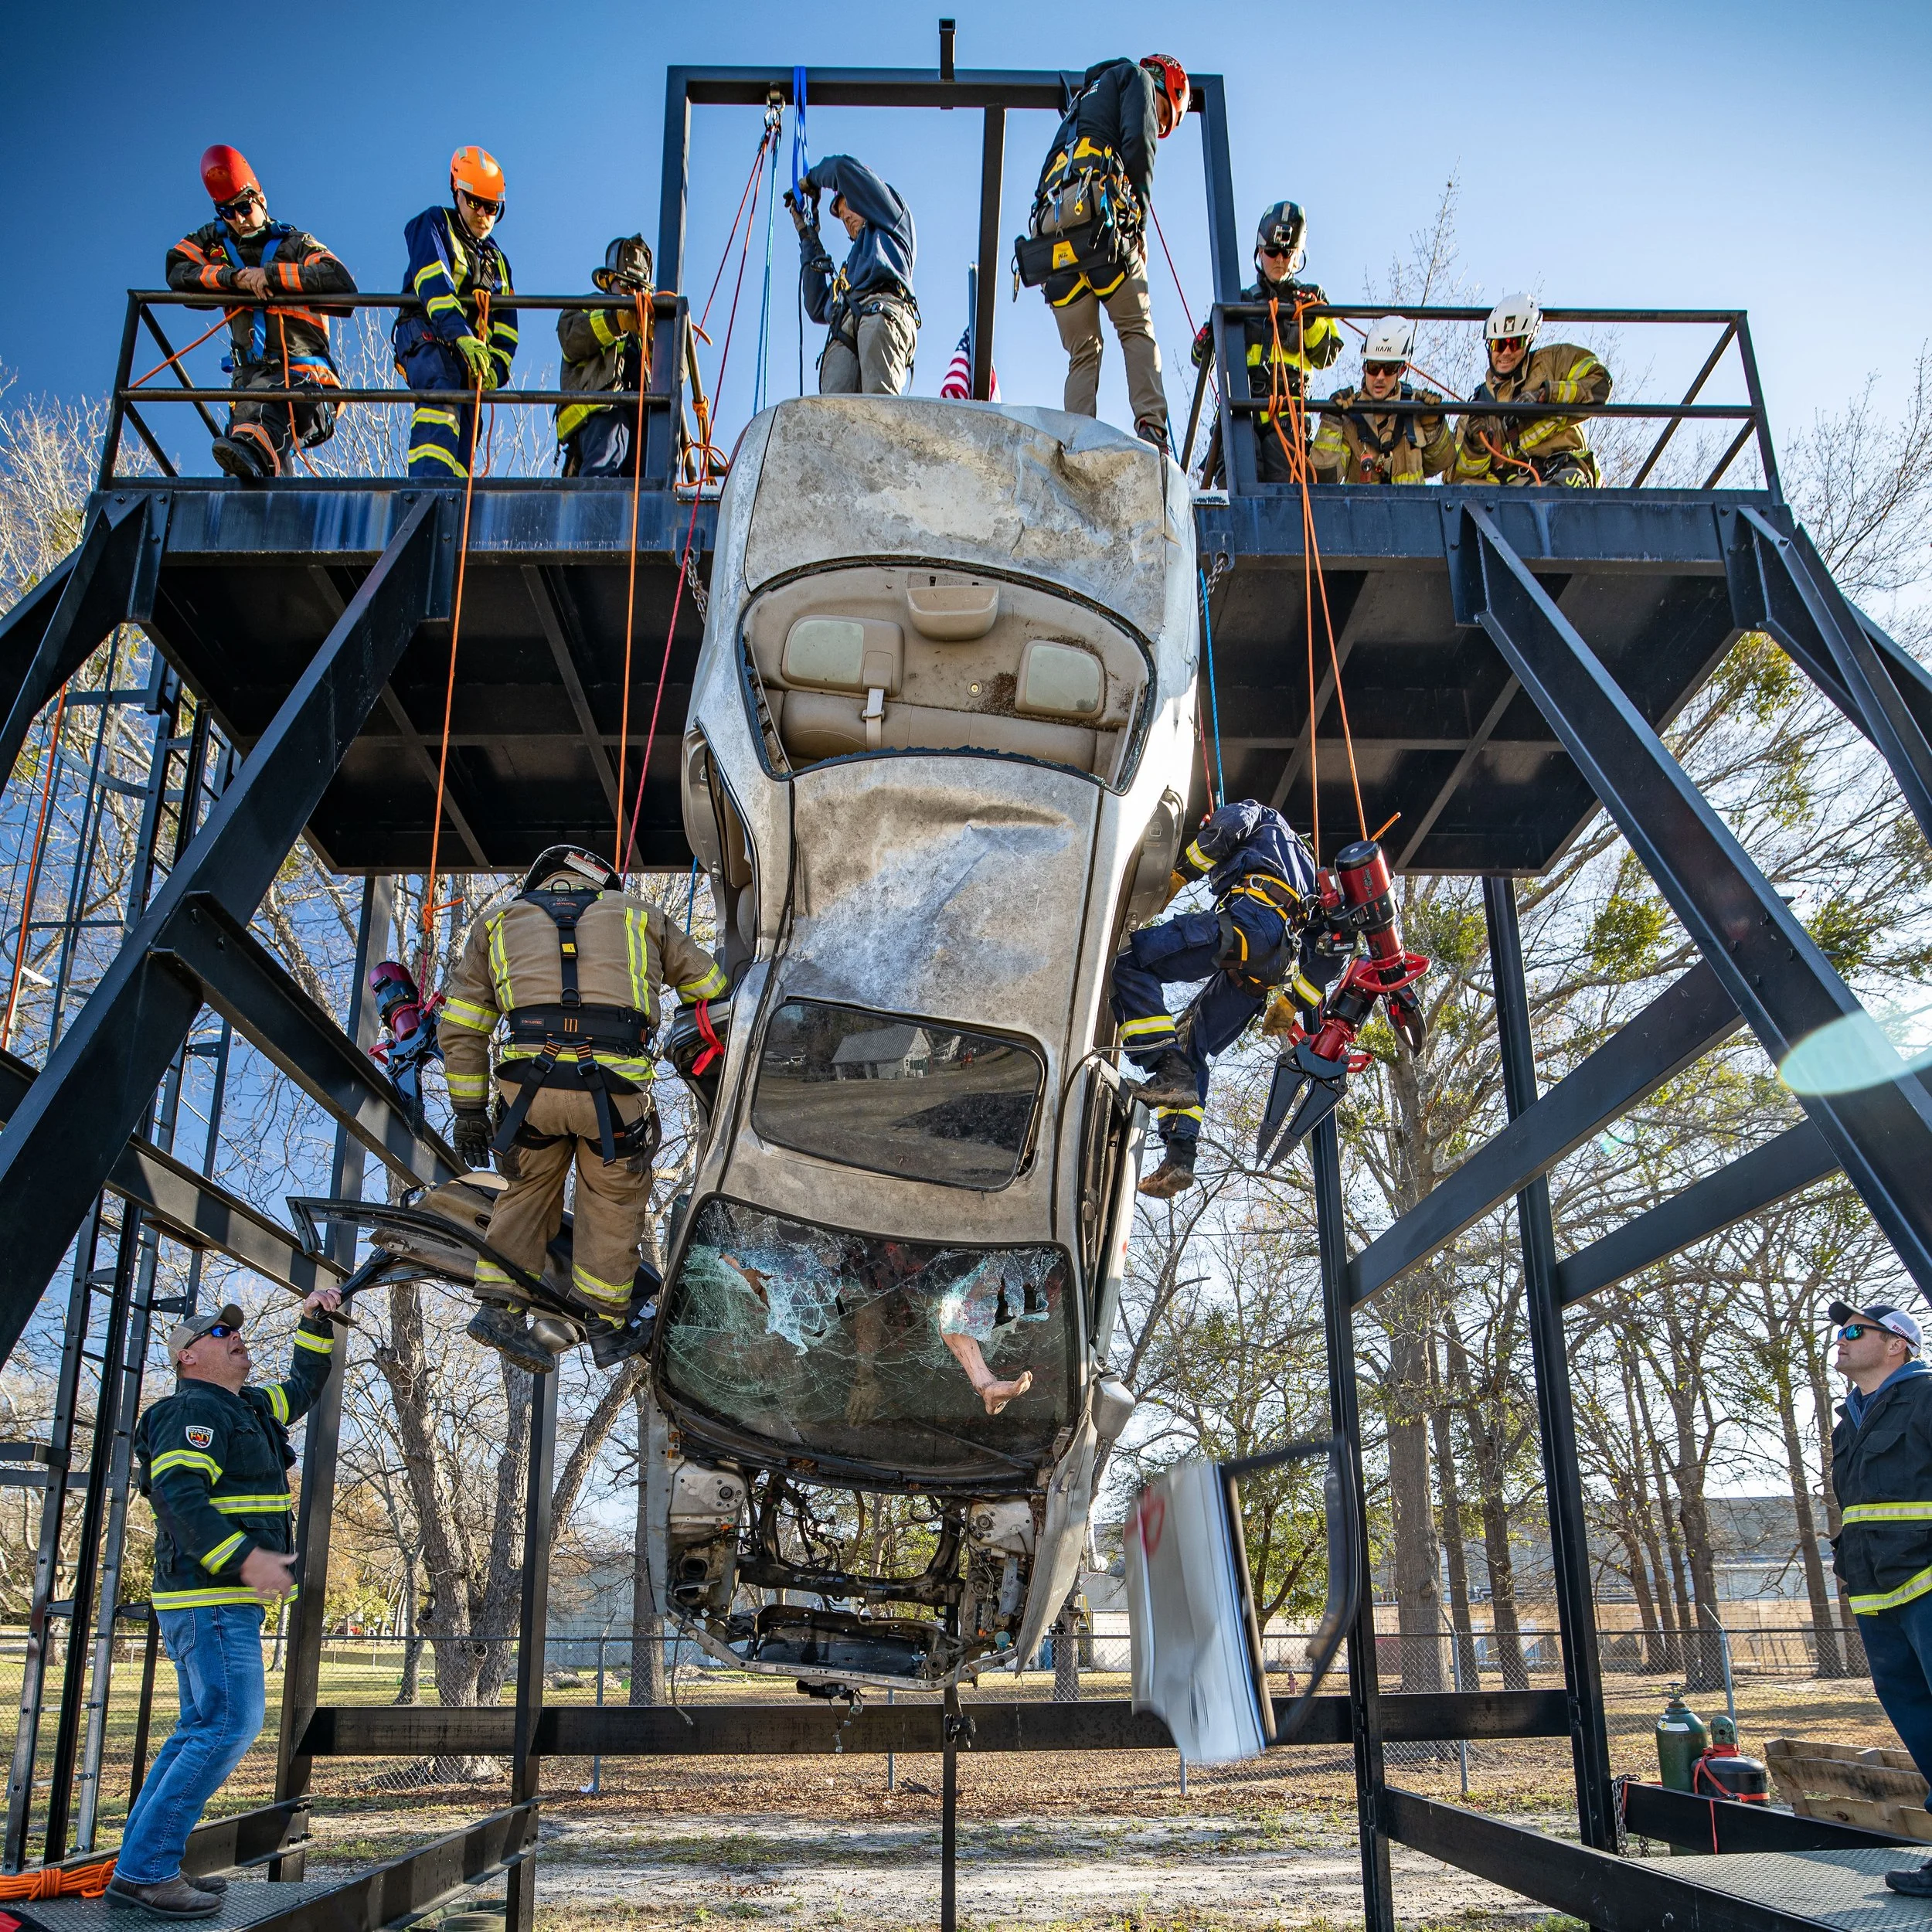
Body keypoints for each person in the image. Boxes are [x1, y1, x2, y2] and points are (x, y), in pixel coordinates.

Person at [439, 845, 727, 1369]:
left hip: (529, 1096)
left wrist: (469, 1111)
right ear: (601, 883)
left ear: (541, 879)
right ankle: (604, 1324)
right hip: (613, 1097)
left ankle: (499, 1308)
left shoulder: (497, 922)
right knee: (613, 1203)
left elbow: (462, 1026)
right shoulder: (641, 915)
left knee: (526, 1192)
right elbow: (711, 986)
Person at [109, 1290, 343, 1918]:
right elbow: (178, 1496)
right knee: (229, 1725)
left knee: (201, 1728)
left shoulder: (249, 1408)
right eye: (217, 1332)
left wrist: (314, 1324)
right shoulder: (190, 1410)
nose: (234, 1335)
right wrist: (246, 1559)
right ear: (186, 1356)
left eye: (233, 1329)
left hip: (220, 1602)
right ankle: (147, 1872)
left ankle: (140, 1864)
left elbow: (303, 1386)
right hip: (208, 1597)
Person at [1112, 799, 1321, 1199]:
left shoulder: (1265, 817)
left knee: (1130, 964)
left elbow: (1228, 826)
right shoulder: (1312, 880)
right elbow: (1330, 951)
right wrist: (1293, 1001)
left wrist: (1181, 874)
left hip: (1248, 923)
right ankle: (1180, 1157)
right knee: (1191, 1040)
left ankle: (1166, 1068)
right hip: (1270, 964)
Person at [1825, 1299, 1932, 1898]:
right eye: (1840, 1331)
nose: (1840, 1338)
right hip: (1876, 1594)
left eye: (1854, 1330)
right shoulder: (1850, 1424)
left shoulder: (1927, 1398)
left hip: (1927, 1584)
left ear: (1897, 1345)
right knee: (1919, 1722)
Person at [165, 145, 356, 482]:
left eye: (244, 206)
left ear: (261, 199)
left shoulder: (296, 244)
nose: (239, 219)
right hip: (249, 387)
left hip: (308, 381)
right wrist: (232, 278)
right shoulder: (218, 244)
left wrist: (271, 276)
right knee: (243, 468)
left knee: (263, 413)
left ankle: (253, 454)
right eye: (227, 211)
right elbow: (178, 269)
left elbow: (340, 282)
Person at [1029, 54, 1190, 449]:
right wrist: (1139, 225)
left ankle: (1074, 442)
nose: (1159, 125)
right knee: (1136, 326)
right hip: (1098, 220)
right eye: (1163, 115)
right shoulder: (1136, 79)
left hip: (1051, 238)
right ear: (1164, 87)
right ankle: (1152, 430)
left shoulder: (1080, 105)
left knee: (1083, 351)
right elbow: (1139, 144)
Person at [1194, 202, 1342, 486]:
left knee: (1284, 492)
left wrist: (1309, 321)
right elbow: (1199, 357)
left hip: (1287, 416)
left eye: (1287, 253)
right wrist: (1210, 337)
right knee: (1236, 480)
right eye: (1273, 252)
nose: (1279, 260)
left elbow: (1328, 354)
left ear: (1298, 256)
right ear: (1260, 251)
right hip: (1242, 413)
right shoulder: (1240, 302)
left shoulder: (1312, 299)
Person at [393, 148, 519, 481]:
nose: (482, 214)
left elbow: (507, 329)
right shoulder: (434, 224)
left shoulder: (498, 263)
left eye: (491, 207)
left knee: (467, 422)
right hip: (425, 331)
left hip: (469, 356)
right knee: (442, 391)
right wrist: (461, 334)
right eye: (474, 202)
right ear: (456, 192)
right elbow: (433, 283)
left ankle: (457, 495)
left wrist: (496, 369)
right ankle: (429, 487)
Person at [788, 156, 919, 396]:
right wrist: (808, 238)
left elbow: (842, 169)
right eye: (841, 215)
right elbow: (817, 307)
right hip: (846, 331)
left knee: (879, 407)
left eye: (847, 205)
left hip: (881, 311)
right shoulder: (850, 273)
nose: (845, 217)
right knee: (834, 413)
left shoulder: (890, 217)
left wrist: (812, 180)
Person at [1451, 294, 1610, 487]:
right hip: (1506, 485)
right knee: (1462, 491)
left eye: (1514, 343)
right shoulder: (1473, 412)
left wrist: (1547, 395)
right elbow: (1454, 477)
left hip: (1559, 472)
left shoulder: (1553, 362)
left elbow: (1600, 382)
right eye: (1499, 345)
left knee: (1556, 495)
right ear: (1489, 346)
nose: (1506, 352)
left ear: (1528, 341)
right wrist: (1475, 446)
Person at [1310, 317, 1453, 486]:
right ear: (1364, 368)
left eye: (1389, 369)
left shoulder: (1417, 405)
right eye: (1374, 368)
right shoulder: (1348, 413)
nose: (1380, 377)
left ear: (1401, 371)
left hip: (1411, 503)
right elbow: (1323, 480)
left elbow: (1440, 464)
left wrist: (1433, 426)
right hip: (1361, 503)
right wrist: (1331, 421)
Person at [556, 235, 654, 477]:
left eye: (639, 289)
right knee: (605, 467)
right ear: (608, 281)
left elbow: (678, 373)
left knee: (650, 475)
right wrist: (616, 321)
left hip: (642, 423)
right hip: (599, 413)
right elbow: (570, 337)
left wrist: (657, 336)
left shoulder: (651, 325)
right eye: (625, 285)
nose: (632, 294)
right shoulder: (592, 306)